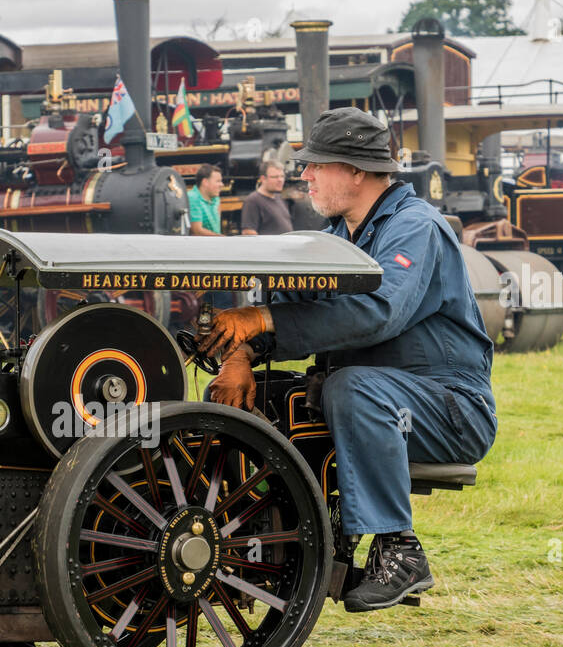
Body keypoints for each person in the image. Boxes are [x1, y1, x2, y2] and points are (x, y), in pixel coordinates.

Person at [199, 107, 497, 612]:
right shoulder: (338, 236)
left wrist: (262, 319)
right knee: (268, 399)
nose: (305, 175)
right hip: (379, 396)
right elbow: (301, 311)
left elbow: (381, 312)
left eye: (317, 165)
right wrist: (243, 353)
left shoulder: (416, 226)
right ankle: (267, 545)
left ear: (356, 171)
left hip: (453, 408)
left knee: (350, 387)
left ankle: (399, 550)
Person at [239, 159, 292, 236]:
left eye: (282, 176)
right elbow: (248, 233)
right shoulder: (253, 201)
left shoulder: (279, 197)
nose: (280, 180)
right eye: (275, 177)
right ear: (263, 179)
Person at [187, 164, 223, 236]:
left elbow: (217, 230)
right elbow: (197, 231)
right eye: (218, 181)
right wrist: (222, 239)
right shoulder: (192, 197)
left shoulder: (216, 199)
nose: (222, 184)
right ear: (205, 182)